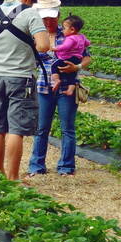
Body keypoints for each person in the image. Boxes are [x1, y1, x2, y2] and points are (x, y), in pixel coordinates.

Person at [0, 0, 51, 181]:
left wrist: (3, 53)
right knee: (16, 129)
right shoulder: (30, 14)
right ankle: (13, 178)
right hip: (21, 78)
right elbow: (44, 46)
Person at [29, 12, 92, 177]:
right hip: (43, 87)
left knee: (67, 128)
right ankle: (36, 166)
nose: (48, 22)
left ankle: (66, 167)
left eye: (52, 18)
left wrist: (76, 68)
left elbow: (87, 57)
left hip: (67, 87)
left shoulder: (69, 33)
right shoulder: (36, 35)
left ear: (58, 16)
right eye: (45, 19)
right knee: (41, 128)